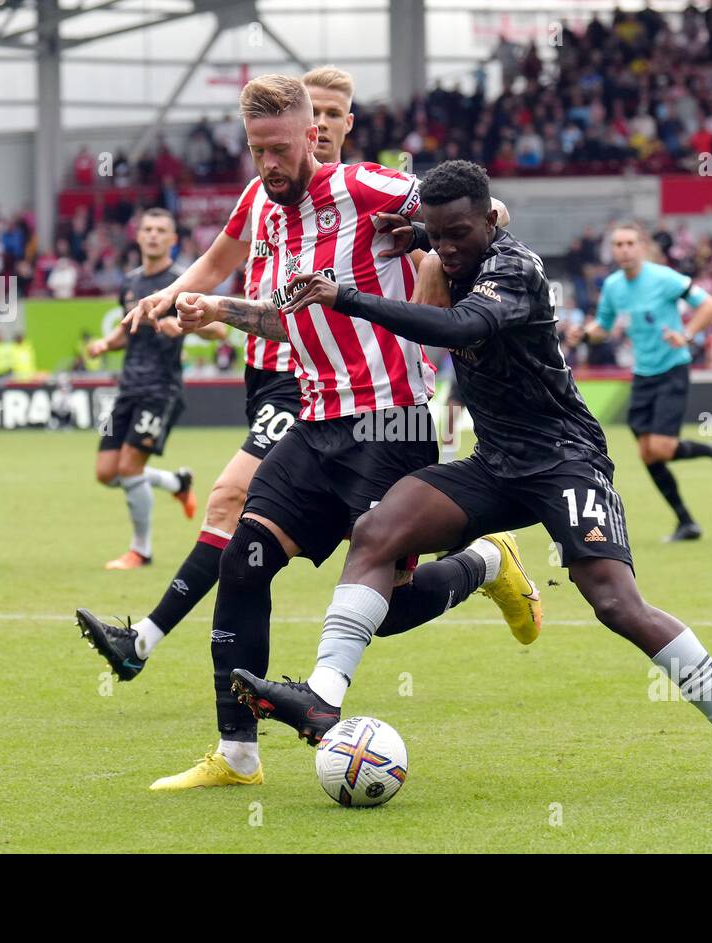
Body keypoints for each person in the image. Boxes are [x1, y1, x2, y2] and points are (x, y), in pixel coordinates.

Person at [224, 161, 712, 797]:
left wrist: (347, 295)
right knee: (377, 531)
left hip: (562, 458)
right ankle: (322, 698)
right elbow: (438, 246)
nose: (446, 247)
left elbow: (460, 328)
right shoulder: (450, 249)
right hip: (495, 462)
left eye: (458, 233)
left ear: (490, 218)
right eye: (436, 235)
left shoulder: (515, 267)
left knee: (614, 603)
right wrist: (416, 235)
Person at [106, 74, 536, 794]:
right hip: (315, 422)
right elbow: (291, 319)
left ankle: (485, 566)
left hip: (392, 424)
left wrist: (430, 235)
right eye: (256, 151)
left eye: (280, 148)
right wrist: (220, 308)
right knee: (243, 559)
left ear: (313, 135)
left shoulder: (367, 186)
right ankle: (237, 755)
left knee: (386, 606)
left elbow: (487, 211)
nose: (268, 164)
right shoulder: (268, 214)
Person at [582, 224, 712, 542]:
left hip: (672, 370)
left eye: (629, 243)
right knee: (648, 454)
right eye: (618, 244)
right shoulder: (613, 286)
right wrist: (584, 333)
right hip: (643, 375)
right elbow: (604, 327)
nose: (624, 249)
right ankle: (686, 522)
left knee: (662, 447)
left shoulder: (664, 278)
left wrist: (687, 334)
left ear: (641, 247)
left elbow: (709, 305)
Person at [84, 208, 199, 569]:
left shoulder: (182, 282)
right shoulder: (130, 282)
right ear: (138, 236)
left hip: (161, 389)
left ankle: (141, 551)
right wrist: (106, 343)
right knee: (106, 472)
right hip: (128, 386)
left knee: (130, 467)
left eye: (160, 230)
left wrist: (179, 326)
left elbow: (215, 327)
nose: (152, 235)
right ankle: (176, 482)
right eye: (147, 229)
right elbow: (125, 329)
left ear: (172, 239)